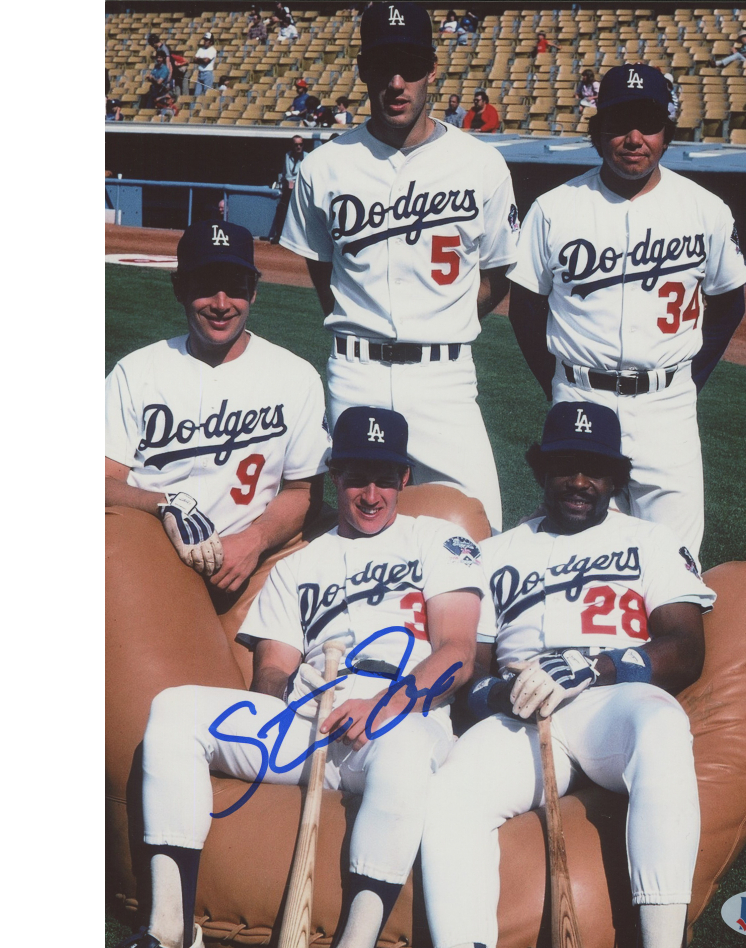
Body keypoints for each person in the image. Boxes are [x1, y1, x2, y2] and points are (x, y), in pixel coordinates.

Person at [104, 405, 486, 948]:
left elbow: (458, 651)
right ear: (336, 475)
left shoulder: (439, 541)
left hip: (399, 720)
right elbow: (276, 666)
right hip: (307, 719)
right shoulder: (300, 564)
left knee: (407, 751)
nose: (371, 492)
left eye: (385, 477)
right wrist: (267, 715)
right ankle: (171, 937)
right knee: (177, 708)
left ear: (405, 478)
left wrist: (382, 708)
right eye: (357, 475)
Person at [421, 400, 716, 948]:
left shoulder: (651, 541)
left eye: (593, 467)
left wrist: (597, 666)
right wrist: (506, 690)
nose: (579, 481)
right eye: (564, 466)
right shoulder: (496, 553)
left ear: (614, 478)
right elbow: (469, 679)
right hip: (522, 717)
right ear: (541, 471)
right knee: (452, 792)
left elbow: (685, 647)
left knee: (662, 727)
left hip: (613, 704)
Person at [279, 2, 519, 533]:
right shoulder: (325, 166)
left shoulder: (481, 164)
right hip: (356, 370)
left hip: (445, 377)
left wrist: (449, 317)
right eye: (382, 65)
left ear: (432, 68)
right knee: (358, 539)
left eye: (409, 65)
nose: (396, 81)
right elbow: (326, 272)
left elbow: (497, 271)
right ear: (362, 69)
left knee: (480, 531)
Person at [507, 64, 746, 559]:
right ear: (597, 132)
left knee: (675, 563)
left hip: (668, 406)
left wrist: (688, 381)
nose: (635, 138)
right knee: (579, 557)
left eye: (649, 123)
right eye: (620, 124)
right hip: (579, 399)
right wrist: (561, 385)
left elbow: (728, 305)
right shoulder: (555, 208)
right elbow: (525, 311)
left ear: (667, 134)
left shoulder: (705, 209)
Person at [104, 220, 331, 596]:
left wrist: (254, 541)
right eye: (207, 286)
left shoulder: (296, 376)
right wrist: (163, 505)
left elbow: (305, 490)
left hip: (251, 564)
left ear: (254, 291)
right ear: (179, 288)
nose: (222, 304)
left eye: (236, 288)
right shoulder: (137, 371)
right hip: (148, 558)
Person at [268, 135, 306, 243]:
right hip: (288, 189)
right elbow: (285, 173)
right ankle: (278, 236)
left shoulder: (307, 156)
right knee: (281, 210)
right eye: (296, 145)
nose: (298, 147)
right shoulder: (287, 155)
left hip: (300, 189)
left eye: (300, 144)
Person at [192, 32, 217, 97]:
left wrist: (199, 59)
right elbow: (194, 59)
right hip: (200, 73)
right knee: (197, 94)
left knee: (207, 93)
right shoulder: (201, 49)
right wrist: (202, 60)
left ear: (211, 42)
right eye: (204, 40)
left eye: (207, 40)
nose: (205, 42)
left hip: (207, 73)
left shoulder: (212, 50)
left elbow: (206, 61)